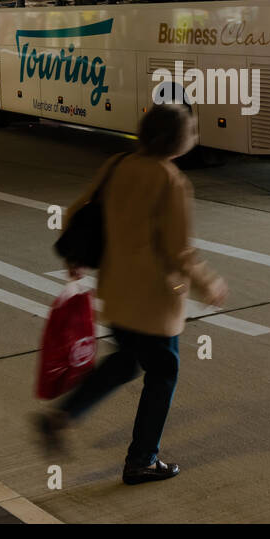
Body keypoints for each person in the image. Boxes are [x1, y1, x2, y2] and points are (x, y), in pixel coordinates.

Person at [36, 104, 228, 485]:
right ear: (177, 139)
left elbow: (80, 211)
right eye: (190, 130)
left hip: (117, 292)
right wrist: (210, 282)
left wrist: (77, 258)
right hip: (156, 299)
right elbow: (178, 250)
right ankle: (142, 459)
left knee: (126, 361)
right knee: (163, 373)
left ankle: (64, 416)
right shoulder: (171, 180)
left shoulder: (117, 164)